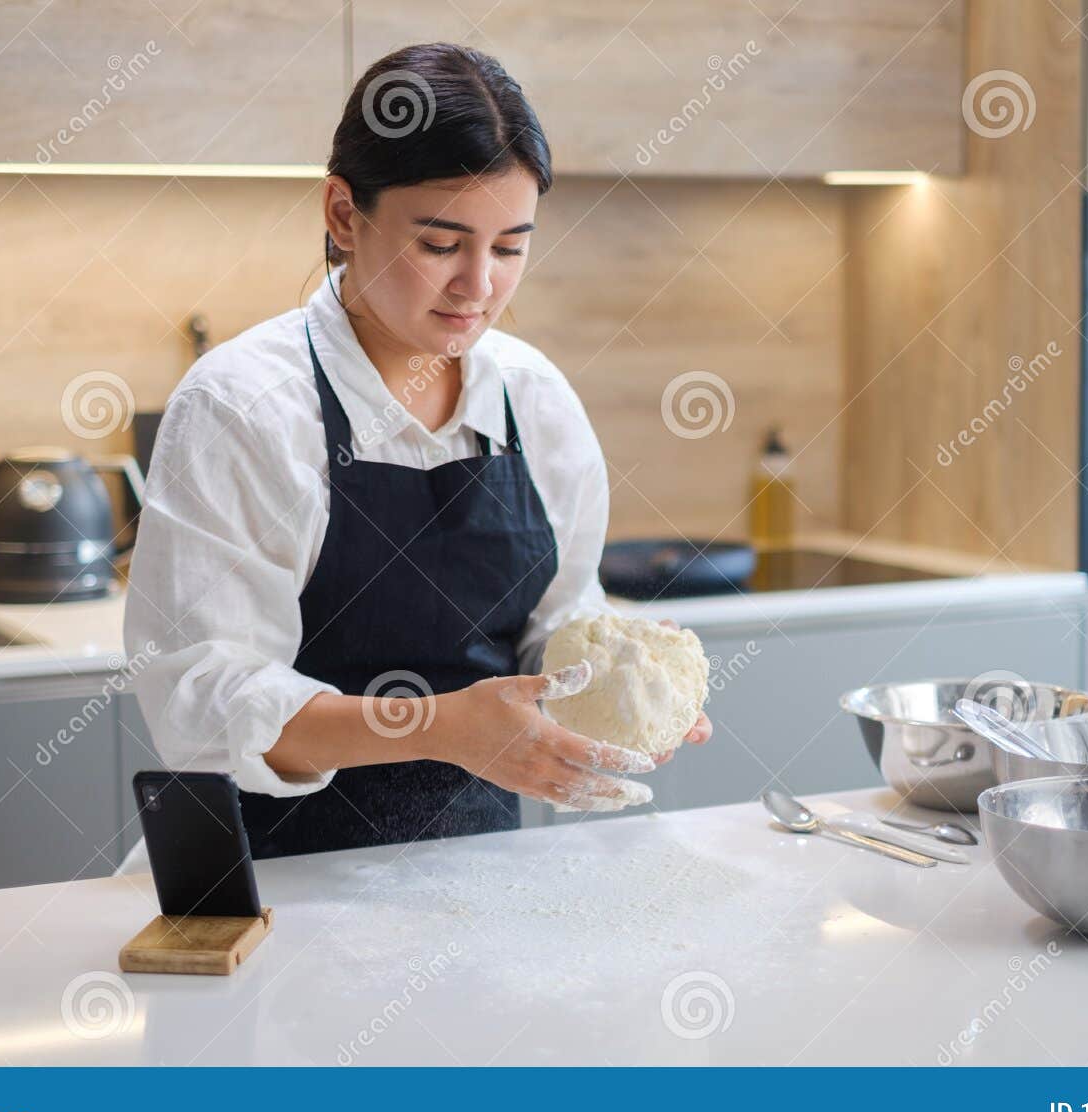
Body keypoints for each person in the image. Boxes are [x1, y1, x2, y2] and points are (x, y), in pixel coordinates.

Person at [123, 42, 710, 861]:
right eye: (441, 245)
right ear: (341, 214)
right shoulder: (242, 408)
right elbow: (205, 704)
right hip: (267, 883)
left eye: (509, 247)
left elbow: (558, 619)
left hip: (474, 873)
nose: (478, 285)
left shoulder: (533, 400)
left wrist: (615, 684)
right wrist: (437, 727)